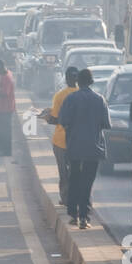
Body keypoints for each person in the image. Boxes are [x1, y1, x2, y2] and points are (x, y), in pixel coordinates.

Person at [57, 68, 109, 229]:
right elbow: (106, 124)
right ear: (91, 82)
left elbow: (63, 120)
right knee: (87, 182)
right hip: (93, 148)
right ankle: (84, 217)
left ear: (78, 82)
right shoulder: (100, 100)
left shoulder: (71, 99)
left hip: (74, 147)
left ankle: (73, 214)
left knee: (74, 179)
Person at [41, 66, 80, 206]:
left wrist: (47, 117)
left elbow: (56, 118)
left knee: (63, 173)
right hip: (78, 141)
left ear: (66, 77)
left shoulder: (60, 95)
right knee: (76, 172)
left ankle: (65, 198)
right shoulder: (83, 94)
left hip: (61, 141)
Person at [0, 59, 16, 157]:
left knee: (3, 131)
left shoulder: (6, 78)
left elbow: (5, 93)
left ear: (1, 68)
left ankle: (3, 151)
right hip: (4, 108)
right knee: (3, 131)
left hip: (6, 108)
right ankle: (3, 150)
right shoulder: (6, 75)